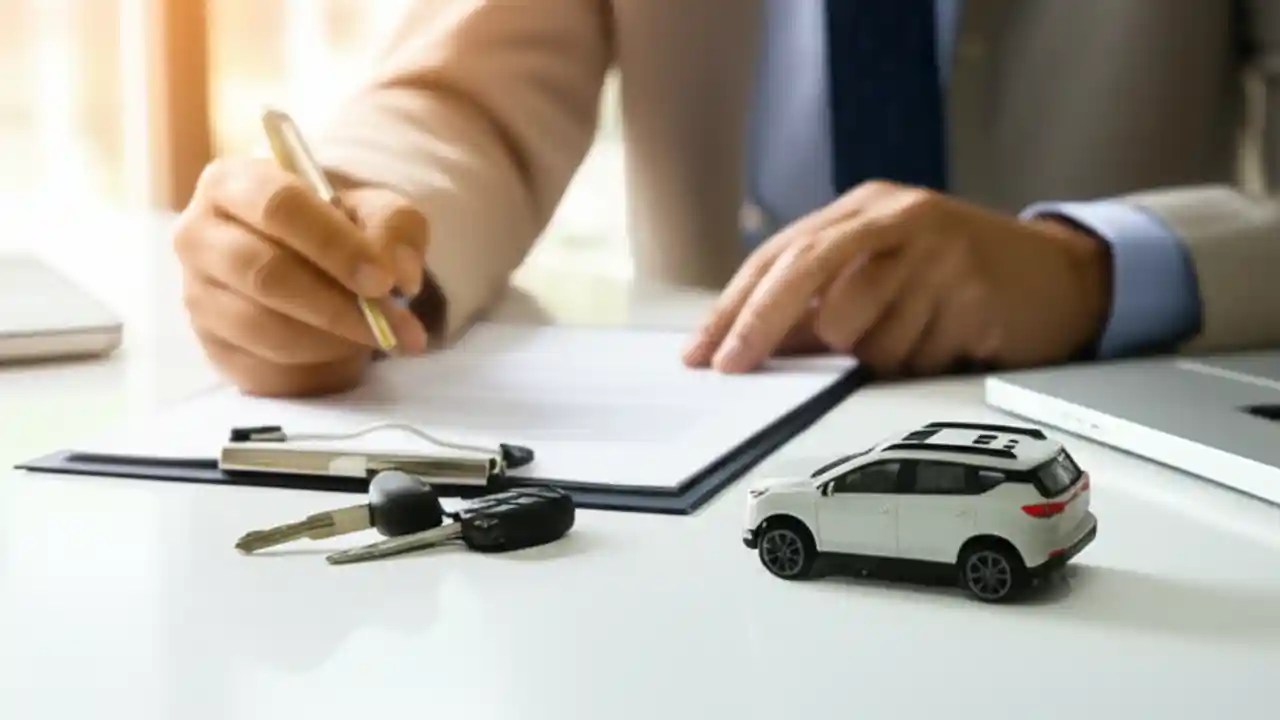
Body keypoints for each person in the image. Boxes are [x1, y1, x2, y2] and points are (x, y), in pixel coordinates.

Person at [173, 1, 1280, 398]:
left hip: (1128, 478)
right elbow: (467, 93)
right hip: (711, 477)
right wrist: (348, 228)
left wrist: (1094, 269)